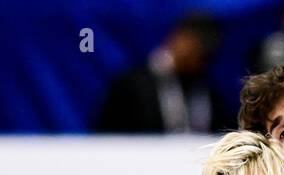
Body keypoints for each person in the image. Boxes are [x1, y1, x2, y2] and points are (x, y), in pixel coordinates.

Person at [96, 12, 233, 134]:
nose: (196, 58)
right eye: (194, 47)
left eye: (205, 55)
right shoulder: (134, 85)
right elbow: (110, 136)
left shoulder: (206, 89)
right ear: (178, 38)